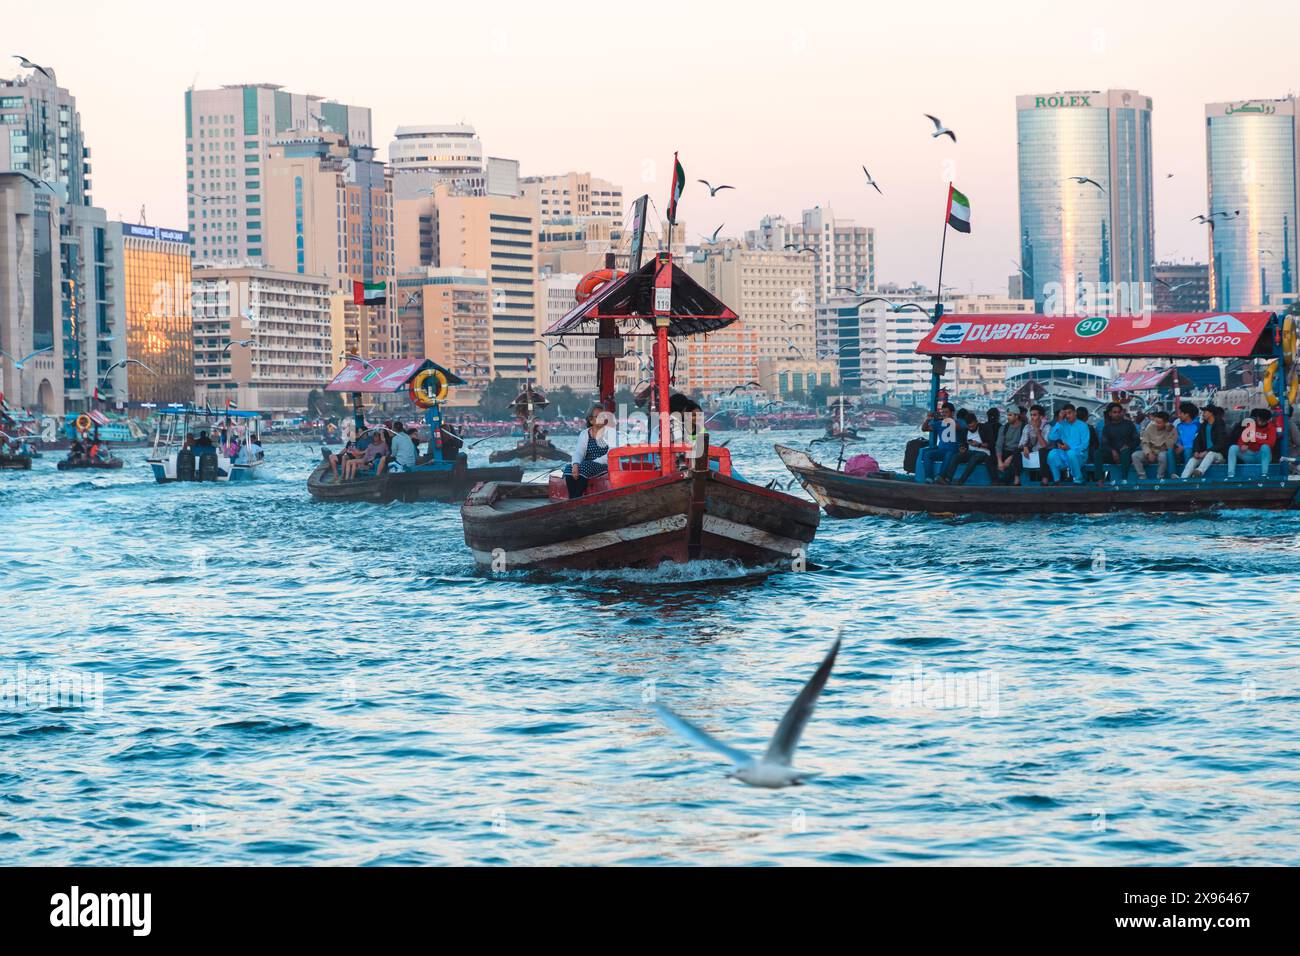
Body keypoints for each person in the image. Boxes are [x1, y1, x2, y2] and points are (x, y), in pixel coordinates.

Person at [567, 405, 619, 498]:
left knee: (585, 467)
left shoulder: (611, 432)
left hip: (604, 466)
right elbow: (579, 452)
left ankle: (577, 498)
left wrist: (590, 463)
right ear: (591, 419)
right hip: (586, 465)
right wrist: (575, 464)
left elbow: (611, 454)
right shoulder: (584, 433)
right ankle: (572, 499)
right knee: (568, 468)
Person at [914, 403, 962, 484]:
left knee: (949, 454)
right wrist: (928, 419)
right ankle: (929, 478)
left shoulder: (957, 422)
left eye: (946, 412)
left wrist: (949, 420)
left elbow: (959, 427)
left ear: (952, 413)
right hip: (941, 450)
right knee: (927, 454)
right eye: (943, 412)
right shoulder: (939, 423)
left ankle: (940, 477)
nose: (944, 414)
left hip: (953, 451)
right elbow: (924, 429)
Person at [941, 411, 990, 485]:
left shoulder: (984, 428)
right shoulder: (965, 431)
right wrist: (962, 448)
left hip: (983, 452)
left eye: (973, 426)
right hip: (971, 451)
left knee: (974, 458)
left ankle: (961, 481)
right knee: (957, 456)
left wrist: (979, 444)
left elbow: (991, 444)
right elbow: (963, 443)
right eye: (969, 426)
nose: (971, 428)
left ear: (976, 422)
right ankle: (948, 478)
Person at [1046, 403, 1091, 483]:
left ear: (1075, 413)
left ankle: (1078, 479)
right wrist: (1059, 422)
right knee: (1052, 454)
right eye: (1065, 414)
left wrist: (1070, 448)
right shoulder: (1062, 424)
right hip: (1064, 454)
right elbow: (1051, 437)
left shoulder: (1083, 425)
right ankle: (1057, 480)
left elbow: (1085, 444)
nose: (1067, 416)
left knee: (1071, 453)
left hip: (1079, 455)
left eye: (1069, 413)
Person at [1226, 408, 1277, 479]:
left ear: (1267, 421)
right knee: (1233, 448)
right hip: (1250, 454)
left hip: (1261, 455)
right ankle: (1231, 474)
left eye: (1263, 421)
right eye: (1259, 419)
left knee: (1265, 447)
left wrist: (1254, 439)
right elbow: (1241, 440)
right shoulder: (1251, 425)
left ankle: (1264, 474)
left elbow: (1271, 443)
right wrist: (1242, 445)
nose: (1260, 422)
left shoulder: (1271, 428)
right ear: (1257, 418)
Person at [1182, 404, 1228, 478]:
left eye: (1205, 411)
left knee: (1211, 453)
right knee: (1193, 460)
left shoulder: (1219, 424)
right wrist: (1196, 451)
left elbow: (1221, 444)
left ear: (1211, 413)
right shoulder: (1204, 425)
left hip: (1219, 456)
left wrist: (1206, 451)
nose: (1203, 413)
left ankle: (1199, 472)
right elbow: (1197, 440)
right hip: (1206, 455)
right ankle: (1183, 479)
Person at [1097, 402, 1140, 482]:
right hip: (1112, 455)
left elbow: (1137, 440)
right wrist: (1112, 451)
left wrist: (1128, 446)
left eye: (1119, 412)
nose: (1117, 414)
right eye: (1115, 412)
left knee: (1125, 451)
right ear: (1110, 414)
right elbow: (1104, 444)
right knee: (1097, 453)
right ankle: (1100, 479)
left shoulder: (1129, 424)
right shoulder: (1107, 427)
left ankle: (1124, 479)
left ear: (1122, 413)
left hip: (1126, 453)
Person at [1131, 410, 1178, 479]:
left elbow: (1170, 445)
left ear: (1165, 423)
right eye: (1156, 422)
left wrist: (1168, 431)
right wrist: (1148, 453)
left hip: (1162, 452)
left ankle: (1160, 477)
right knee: (1135, 455)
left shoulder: (1172, 429)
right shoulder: (1150, 427)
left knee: (1163, 456)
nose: (1156, 424)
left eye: (1159, 423)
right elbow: (1144, 442)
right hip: (1150, 451)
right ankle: (1142, 476)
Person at [990, 406, 1027, 484]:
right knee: (990, 459)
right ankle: (995, 480)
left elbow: (1024, 444)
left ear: (1017, 416)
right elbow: (999, 445)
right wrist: (999, 461)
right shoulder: (1004, 428)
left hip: (1018, 452)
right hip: (1006, 451)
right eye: (1007, 415)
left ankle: (1004, 481)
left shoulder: (1025, 427)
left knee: (1016, 459)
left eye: (1010, 415)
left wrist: (1011, 458)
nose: (1008, 417)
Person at [1019, 404, 1051, 485]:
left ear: (1041, 417)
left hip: (1044, 452)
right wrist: (1025, 446)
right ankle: (1017, 480)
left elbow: (1044, 445)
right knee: (1016, 451)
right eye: (1031, 415)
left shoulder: (1047, 427)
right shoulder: (1027, 427)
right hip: (1032, 451)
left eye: (1035, 415)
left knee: (1043, 451)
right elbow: (1021, 443)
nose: (1032, 417)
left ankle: (1045, 480)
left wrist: (1037, 430)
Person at [1172, 402, 1199, 475]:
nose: (1179, 415)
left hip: (1193, 450)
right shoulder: (1179, 426)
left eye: (1181, 413)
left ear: (1187, 414)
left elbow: (1197, 442)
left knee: (1187, 451)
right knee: (1169, 451)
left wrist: (1184, 447)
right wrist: (1177, 446)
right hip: (1181, 450)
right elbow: (1178, 440)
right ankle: (1172, 475)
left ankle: (1185, 476)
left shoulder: (1197, 426)